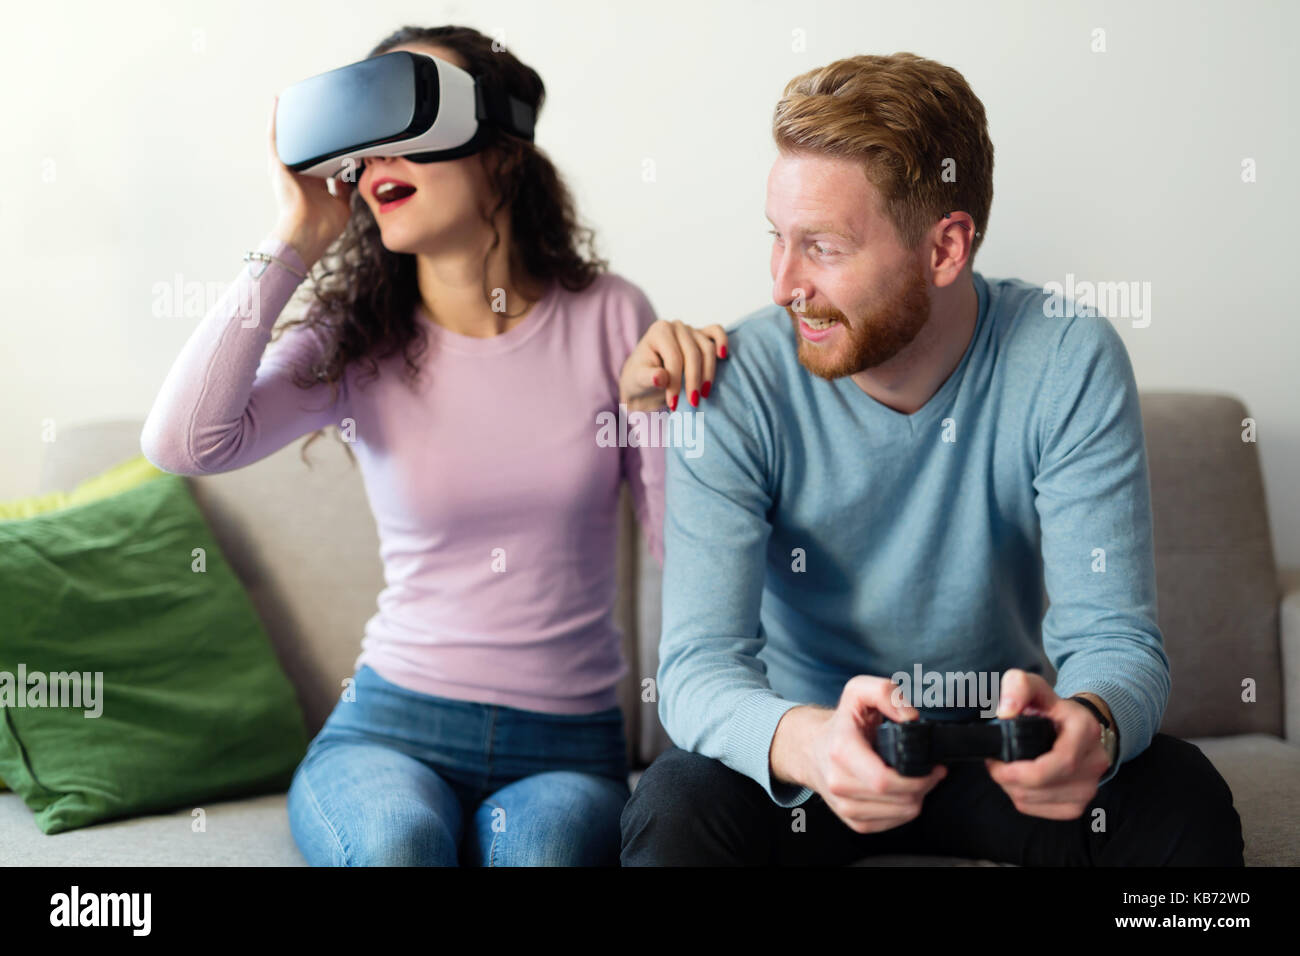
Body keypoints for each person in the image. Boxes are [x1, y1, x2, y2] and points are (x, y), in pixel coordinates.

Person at [621, 52, 1244, 866]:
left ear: (946, 248)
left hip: (1000, 752)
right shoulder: (736, 383)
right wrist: (810, 744)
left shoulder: (1067, 358)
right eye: (778, 238)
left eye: (823, 247)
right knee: (674, 807)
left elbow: (1116, 636)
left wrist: (1090, 723)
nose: (783, 285)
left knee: (1184, 798)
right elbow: (698, 668)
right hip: (812, 755)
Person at [141, 24, 726, 866]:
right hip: (389, 731)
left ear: (502, 153)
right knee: (399, 844)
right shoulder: (357, 339)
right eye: (368, 140)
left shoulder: (612, 316)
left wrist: (657, 411)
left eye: (409, 123)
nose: (380, 158)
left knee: (543, 856)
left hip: (566, 747)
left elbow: (690, 556)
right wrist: (296, 235)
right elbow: (182, 442)